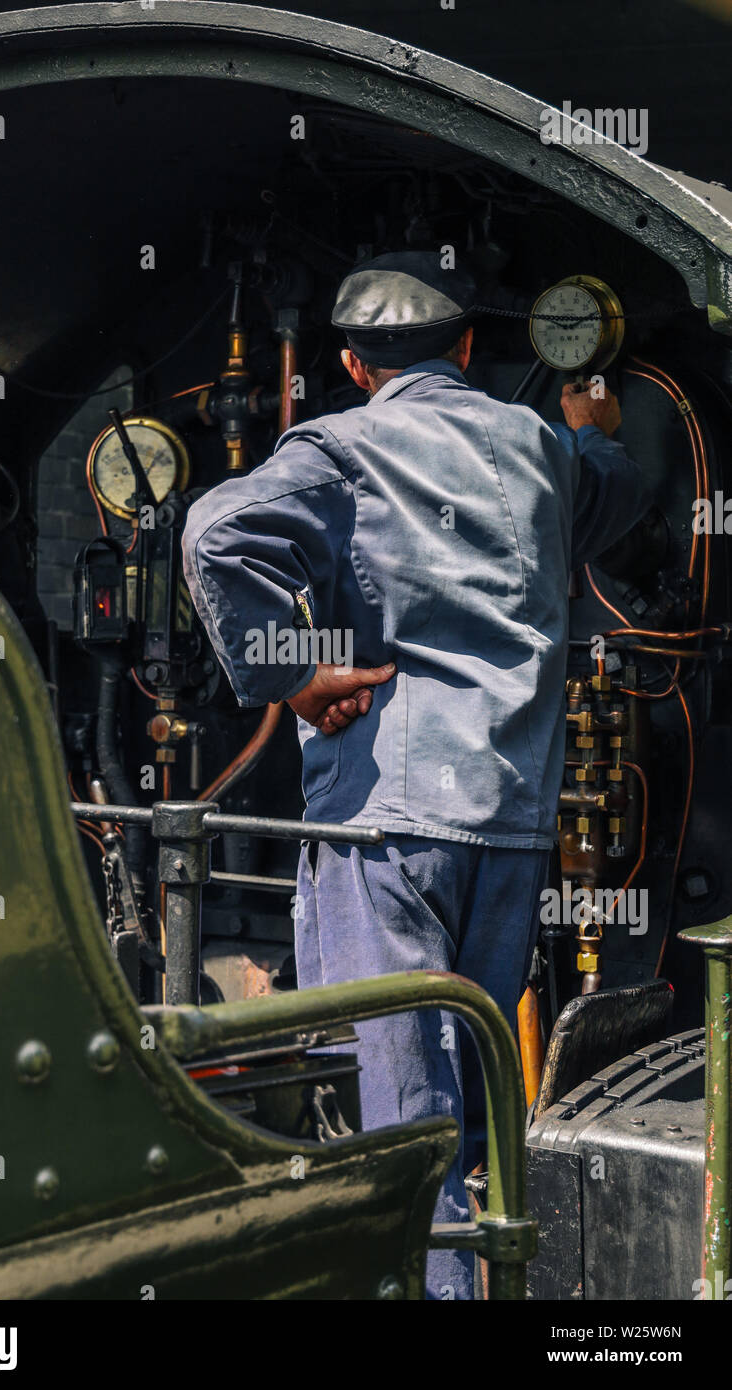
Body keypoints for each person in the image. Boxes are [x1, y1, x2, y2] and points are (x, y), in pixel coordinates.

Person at [181, 250, 649, 1299]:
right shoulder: (534, 445)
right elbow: (606, 495)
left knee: (399, 1113)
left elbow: (214, 532)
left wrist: (291, 674)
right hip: (511, 824)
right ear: (469, 348)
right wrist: (591, 430)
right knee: (468, 1103)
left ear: (350, 363)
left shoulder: (340, 448)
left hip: (384, 828)